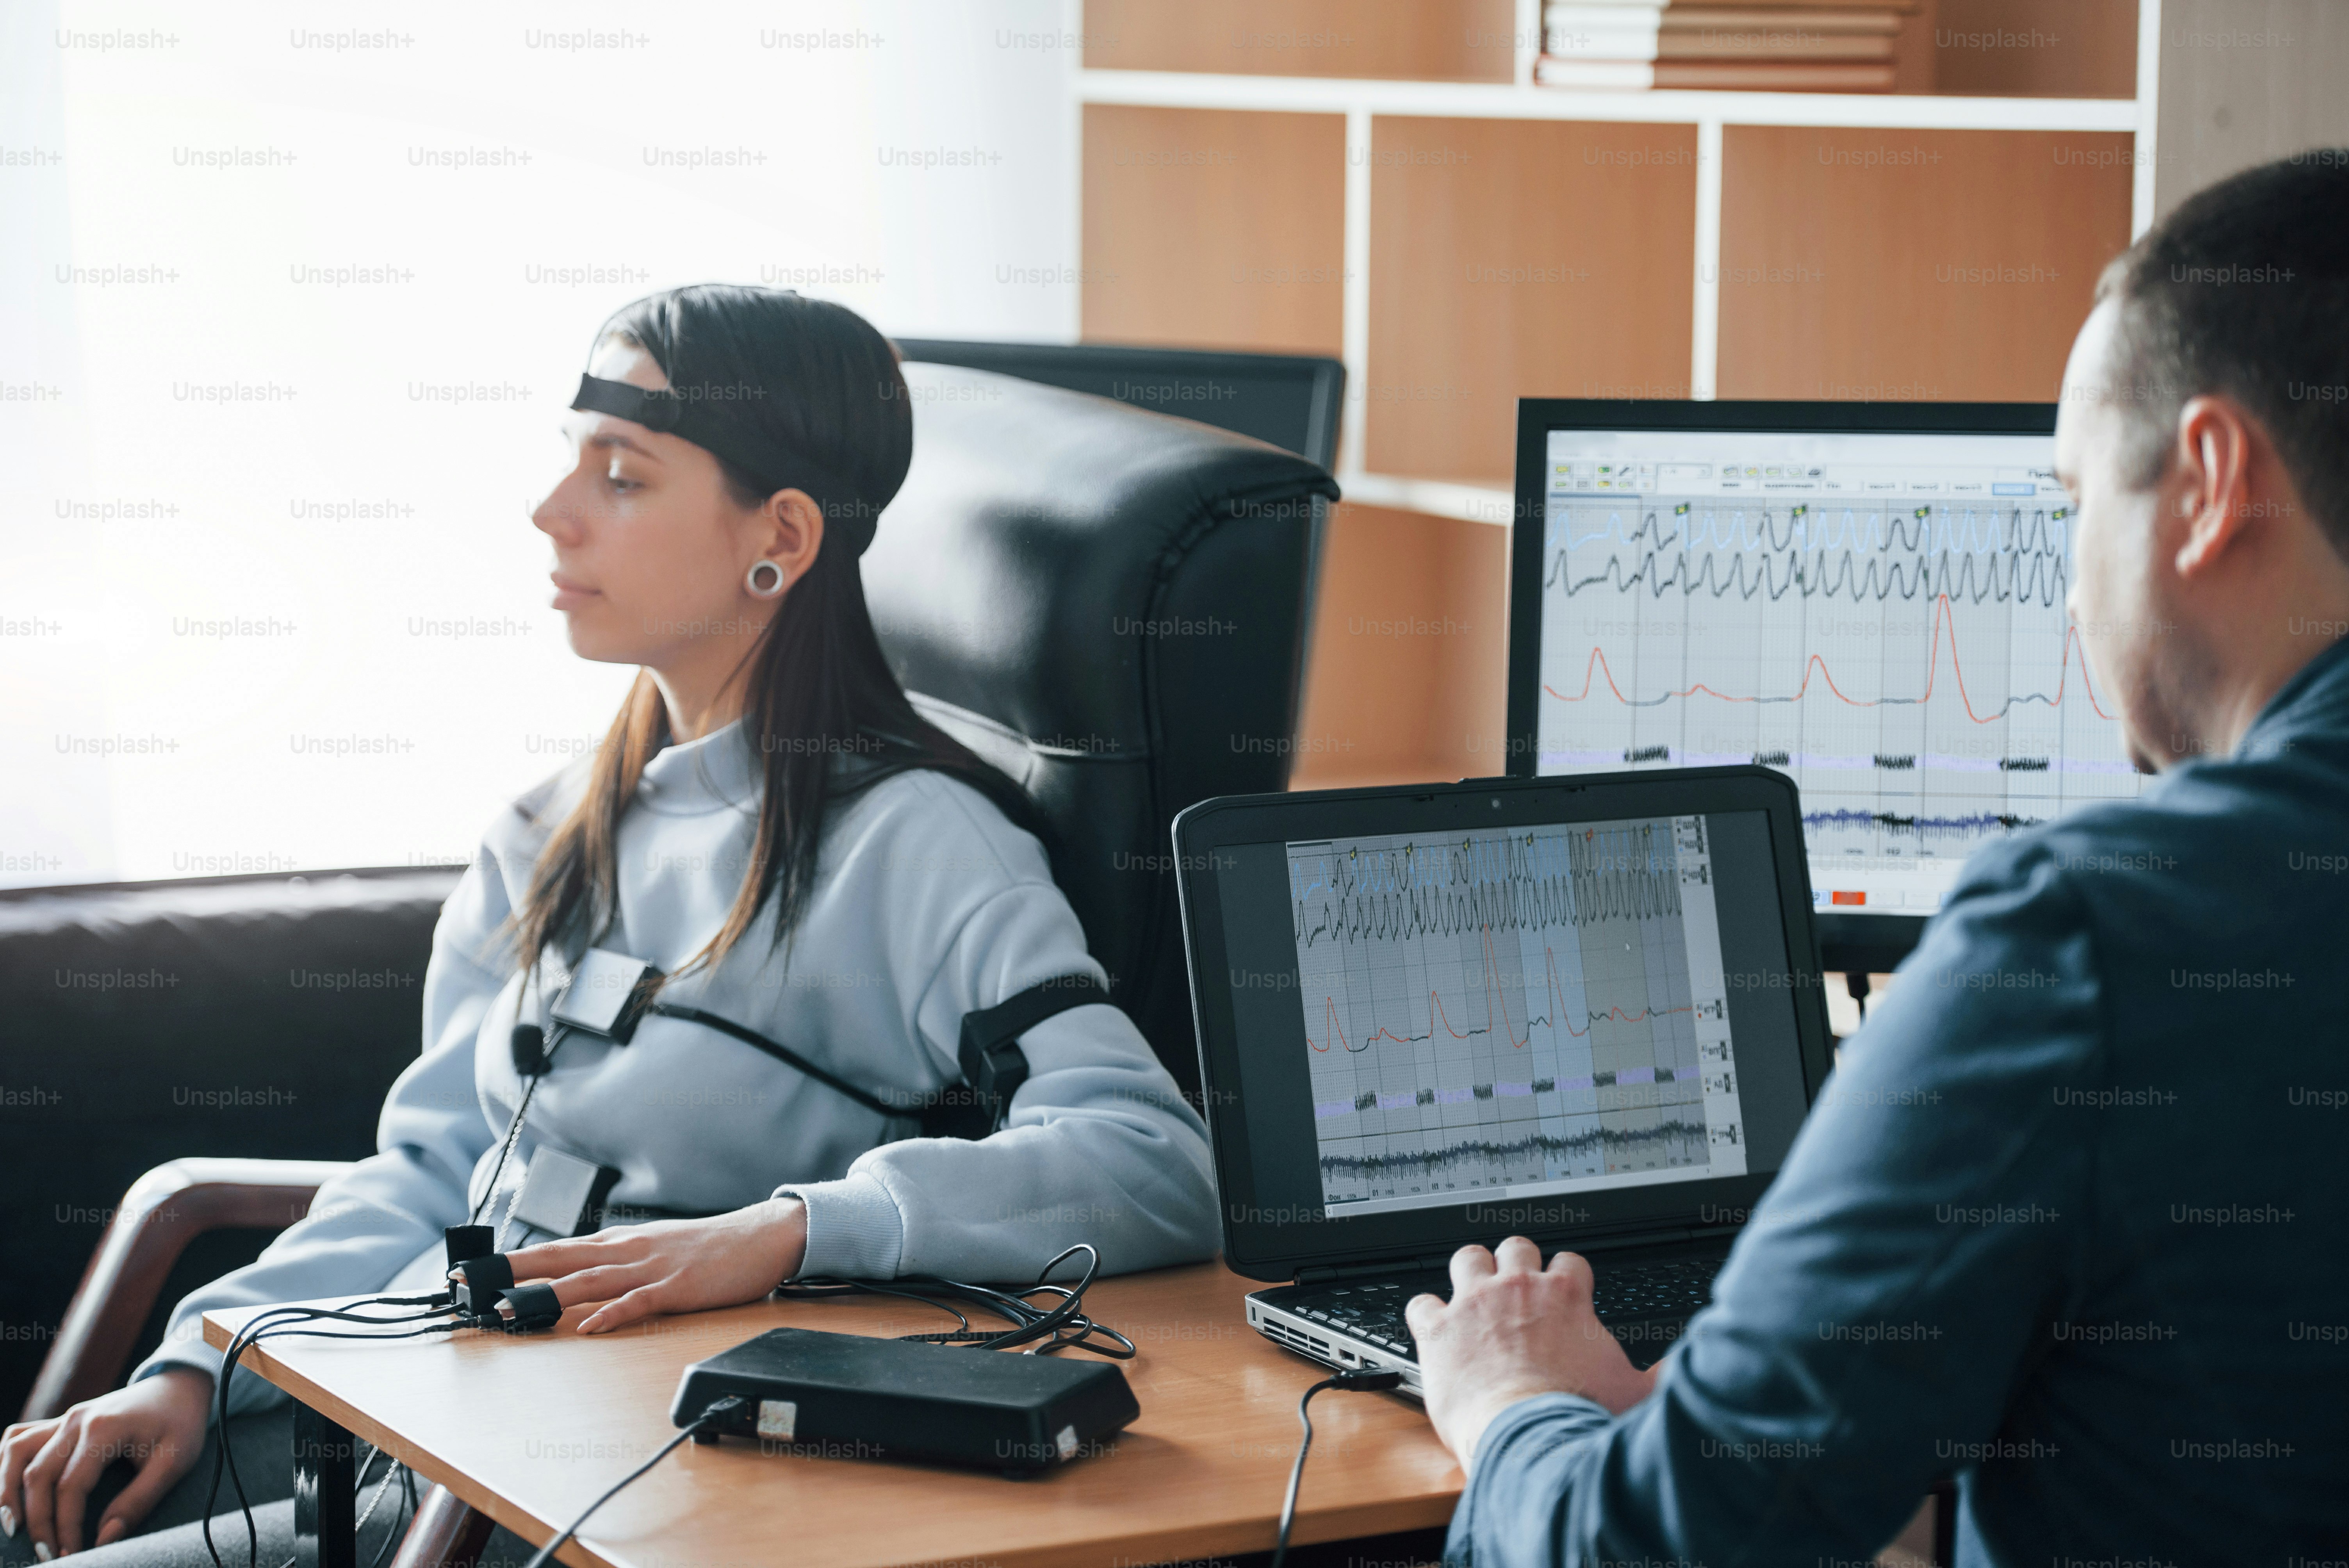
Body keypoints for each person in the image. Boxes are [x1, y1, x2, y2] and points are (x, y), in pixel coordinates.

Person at [0, 286, 1218, 1565]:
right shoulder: (550, 829)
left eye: (623, 476)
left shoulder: (918, 848)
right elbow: (429, 1171)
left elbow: (1152, 1161)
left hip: (595, 1486)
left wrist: (792, 1228)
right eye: (570, 461)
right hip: (405, 1411)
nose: (552, 511)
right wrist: (203, 1359)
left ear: (783, 537)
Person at [1408, 151, 2349, 1565]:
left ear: (2209, 484)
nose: (2073, 578)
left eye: (2074, 500)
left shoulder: (2091, 941)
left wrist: (1513, 1406)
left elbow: (1652, 1551)